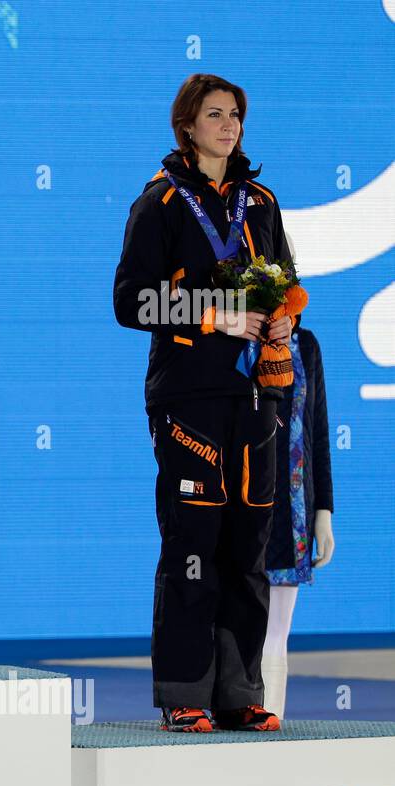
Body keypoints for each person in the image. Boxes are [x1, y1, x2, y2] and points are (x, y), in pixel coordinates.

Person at [113, 74, 295, 732]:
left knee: (248, 543)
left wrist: (280, 322)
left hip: (255, 397)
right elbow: (130, 302)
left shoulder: (262, 202)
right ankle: (184, 691)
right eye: (214, 114)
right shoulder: (159, 203)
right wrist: (215, 315)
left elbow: (287, 288)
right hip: (187, 396)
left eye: (236, 114)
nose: (229, 125)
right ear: (186, 126)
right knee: (193, 540)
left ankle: (239, 690)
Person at [262, 318, 335, 717]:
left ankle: (272, 720)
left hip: (294, 510)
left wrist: (323, 510)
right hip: (243, 502)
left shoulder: (306, 345)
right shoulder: (237, 337)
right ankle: (235, 715)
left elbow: (317, 430)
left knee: (277, 634)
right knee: (239, 627)